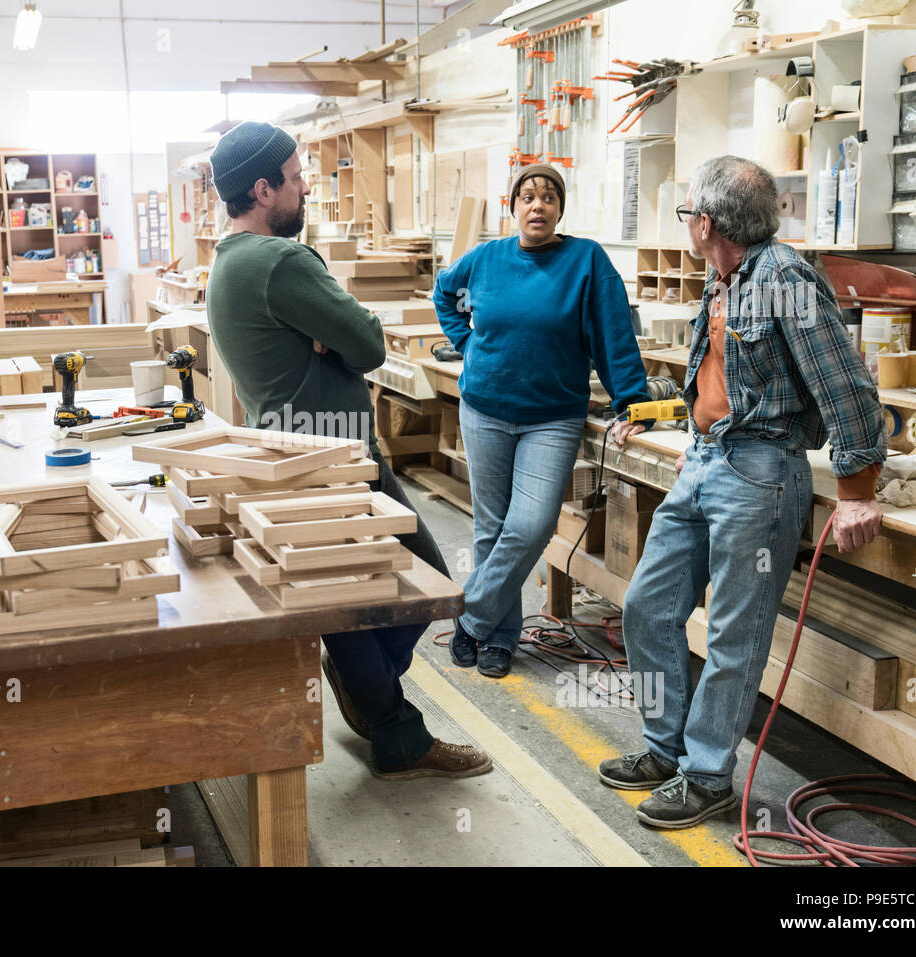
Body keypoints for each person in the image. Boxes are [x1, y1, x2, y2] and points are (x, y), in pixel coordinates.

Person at [599, 155, 886, 829]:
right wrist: (679, 417)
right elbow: (725, 378)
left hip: (759, 474)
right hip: (706, 461)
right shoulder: (723, 277)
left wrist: (855, 489)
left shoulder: (784, 276)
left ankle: (705, 775)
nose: (685, 227)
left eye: (685, 215)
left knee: (734, 630)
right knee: (647, 603)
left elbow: (848, 387)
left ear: (705, 221)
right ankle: (665, 749)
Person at [204, 120, 492, 781]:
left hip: (293, 462)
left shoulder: (226, 265)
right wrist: (340, 331)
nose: (306, 187)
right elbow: (367, 342)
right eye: (297, 176)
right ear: (262, 187)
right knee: (426, 584)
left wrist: (327, 333)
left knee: (352, 601)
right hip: (334, 465)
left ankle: (368, 689)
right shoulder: (280, 262)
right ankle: (389, 720)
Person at [433, 164, 652, 679]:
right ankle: (500, 639)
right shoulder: (486, 259)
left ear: (560, 209)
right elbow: (445, 294)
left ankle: (471, 619)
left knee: (531, 525)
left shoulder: (585, 261)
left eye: (549, 197)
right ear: (514, 207)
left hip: (551, 417)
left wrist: (633, 401)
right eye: (528, 197)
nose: (538, 206)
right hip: (484, 408)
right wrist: (467, 344)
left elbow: (613, 335)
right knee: (492, 528)